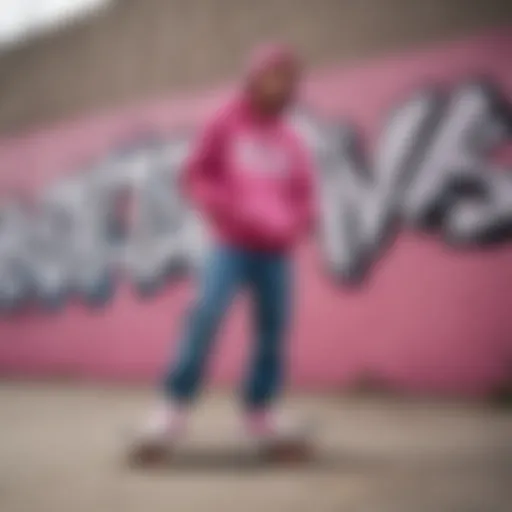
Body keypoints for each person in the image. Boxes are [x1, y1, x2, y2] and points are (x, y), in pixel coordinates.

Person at [131, 42, 316, 461]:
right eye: (275, 74)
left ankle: (259, 412)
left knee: (273, 331)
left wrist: (294, 224)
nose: (282, 84)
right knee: (206, 315)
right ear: (254, 76)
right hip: (230, 244)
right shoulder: (225, 121)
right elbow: (197, 172)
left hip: (276, 251)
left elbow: (305, 194)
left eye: (289, 78)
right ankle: (173, 407)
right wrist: (224, 211)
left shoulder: (291, 139)